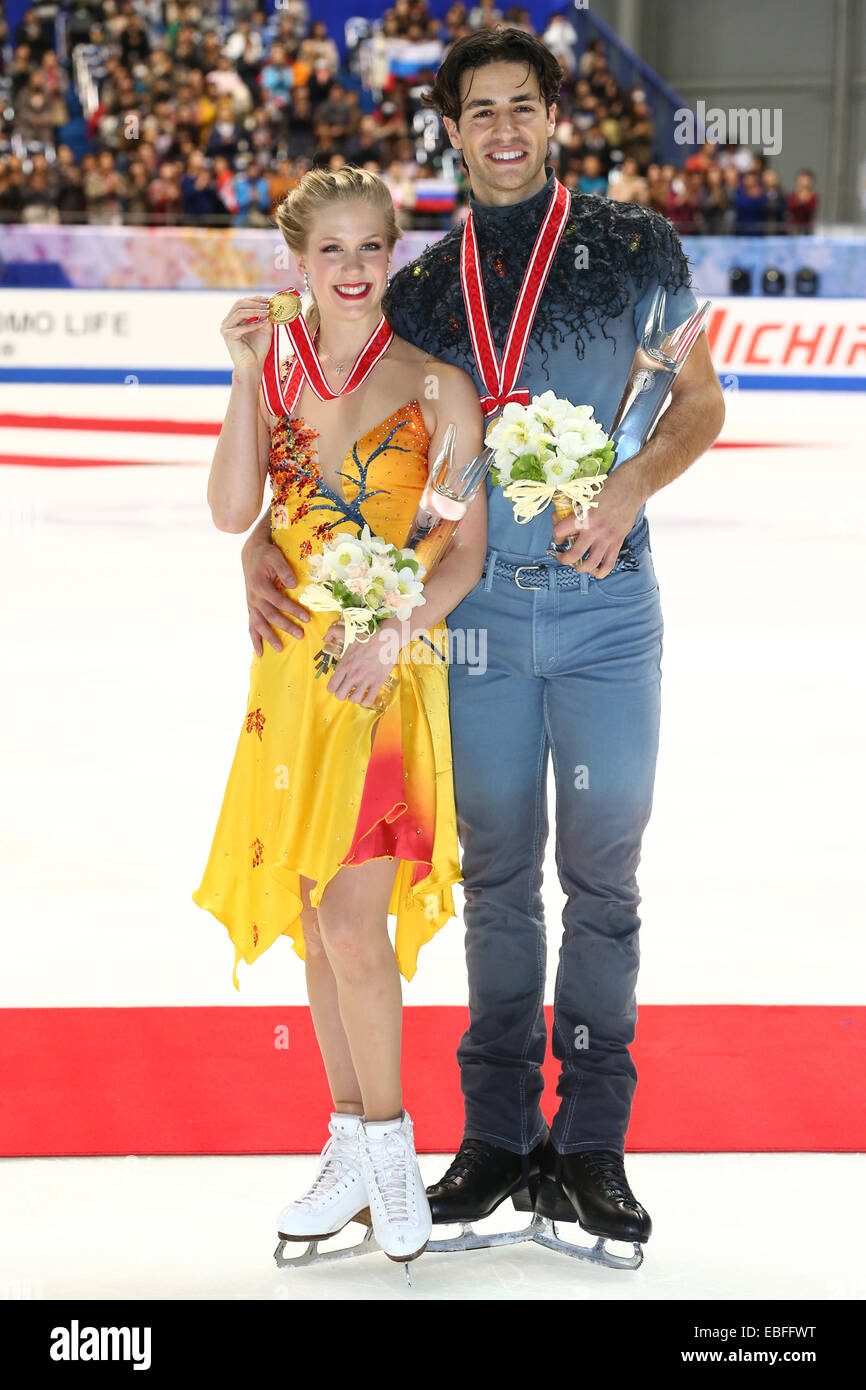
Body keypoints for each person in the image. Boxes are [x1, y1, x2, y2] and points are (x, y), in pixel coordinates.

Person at [239, 28, 725, 1260]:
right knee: (498, 884)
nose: (500, 129)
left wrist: (625, 494)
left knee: (602, 878)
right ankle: (499, 1136)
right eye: (477, 112)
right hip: (470, 619)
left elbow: (698, 401)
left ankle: (594, 1147)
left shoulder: (632, 247)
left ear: (552, 115)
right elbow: (335, 454)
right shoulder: (417, 285)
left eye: (521, 105)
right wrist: (260, 545)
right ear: (449, 130)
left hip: (609, 606)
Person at [192, 166, 486, 1264]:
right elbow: (234, 514)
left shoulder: (434, 386)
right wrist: (236, 373)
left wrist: (395, 632)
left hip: (383, 674)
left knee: (357, 924)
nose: (354, 270)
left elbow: (462, 548)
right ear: (298, 263)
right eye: (332, 252)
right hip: (290, 677)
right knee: (316, 924)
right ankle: (349, 1147)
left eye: (371, 249)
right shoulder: (272, 372)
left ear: (392, 253)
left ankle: (394, 1153)